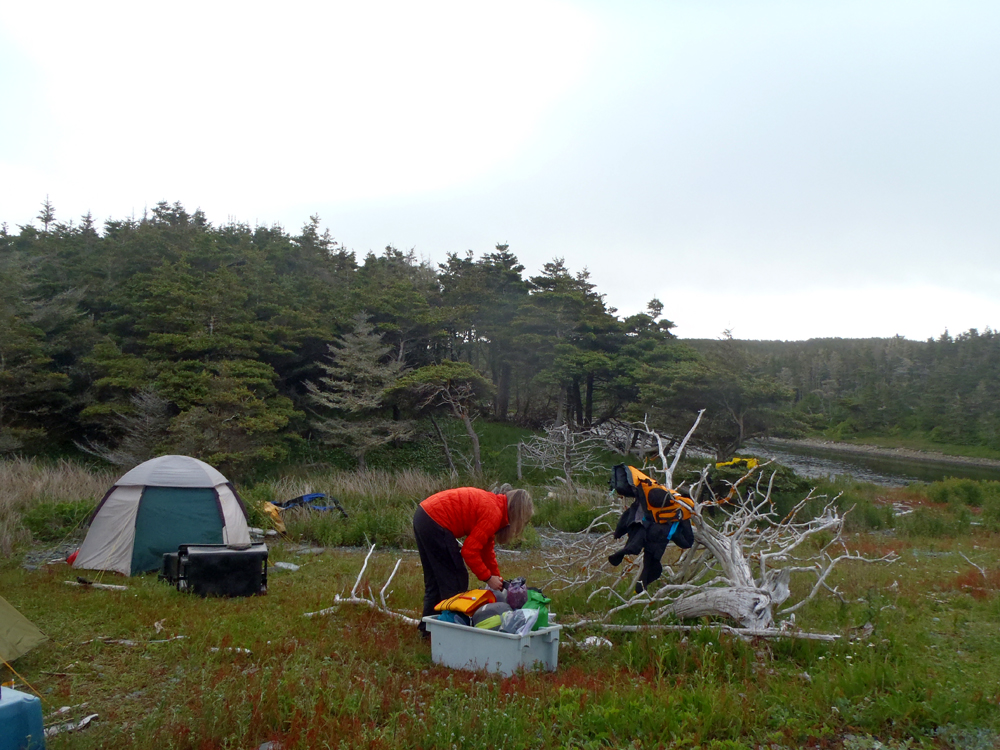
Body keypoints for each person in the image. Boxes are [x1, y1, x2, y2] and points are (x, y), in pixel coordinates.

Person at [413, 484, 534, 635]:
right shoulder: (494, 513)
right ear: (516, 513)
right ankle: (451, 633)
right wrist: (488, 578)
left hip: (424, 515)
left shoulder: (495, 506)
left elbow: (486, 551)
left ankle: (426, 631)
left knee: (435, 582)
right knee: (456, 581)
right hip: (436, 520)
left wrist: (500, 581)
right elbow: (469, 551)